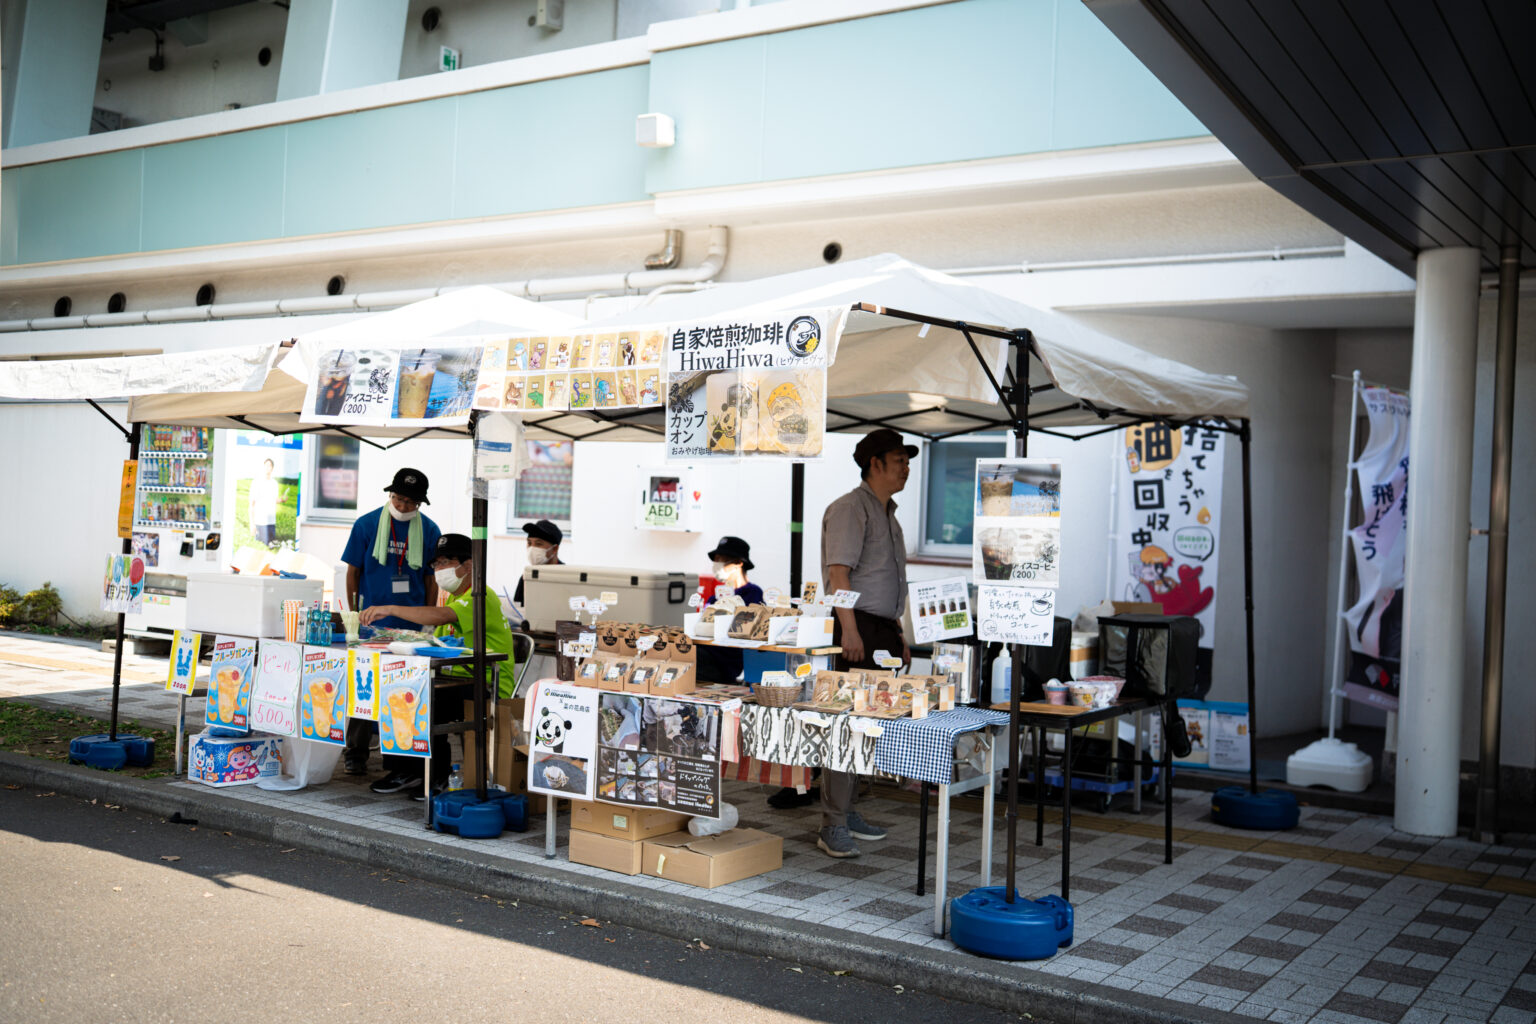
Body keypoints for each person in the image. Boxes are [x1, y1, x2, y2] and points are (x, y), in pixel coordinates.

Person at [816, 428, 917, 858]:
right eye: (899, 460)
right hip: (855, 629)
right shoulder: (849, 508)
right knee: (846, 723)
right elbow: (839, 575)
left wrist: (900, 634)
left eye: (907, 461)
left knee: (870, 724)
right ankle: (832, 823)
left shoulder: (888, 514)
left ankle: (849, 808)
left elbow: (889, 582)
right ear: (874, 463)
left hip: (882, 631)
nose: (906, 468)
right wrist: (851, 631)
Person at [361, 533, 516, 797]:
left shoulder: (480, 595)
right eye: (437, 564)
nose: (440, 570)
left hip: (487, 685)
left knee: (424, 701)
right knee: (399, 692)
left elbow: (440, 615)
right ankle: (407, 771)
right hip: (457, 678)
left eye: (447, 562)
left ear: (468, 566)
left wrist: (391, 609)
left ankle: (436, 776)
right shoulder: (457, 597)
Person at [340, 468, 441, 779]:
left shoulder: (430, 530)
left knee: (403, 691)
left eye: (411, 502)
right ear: (390, 495)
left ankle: (397, 758)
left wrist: (428, 619)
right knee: (364, 688)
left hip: (411, 628)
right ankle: (355, 751)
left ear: (420, 503)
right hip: (371, 624)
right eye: (398, 498)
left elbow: (431, 579)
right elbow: (353, 572)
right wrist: (355, 614)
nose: (403, 506)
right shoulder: (366, 524)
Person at [696, 536, 763, 684]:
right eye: (716, 560)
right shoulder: (715, 596)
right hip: (704, 652)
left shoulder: (753, 594)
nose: (717, 564)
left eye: (722, 560)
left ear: (739, 563)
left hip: (725, 661)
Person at [512, 519, 563, 608]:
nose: (532, 548)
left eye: (538, 544)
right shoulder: (527, 577)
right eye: (529, 543)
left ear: (554, 549)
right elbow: (518, 612)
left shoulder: (567, 576)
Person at [248, 458, 279, 547]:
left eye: (269, 466)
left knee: (271, 549)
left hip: (271, 522)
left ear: (272, 468)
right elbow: (251, 504)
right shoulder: (256, 482)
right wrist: (252, 524)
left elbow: (273, 500)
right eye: (266, 465)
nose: (267, 468)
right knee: (260, 548)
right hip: (260, 522)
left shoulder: (274, 484)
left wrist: (281, 500)